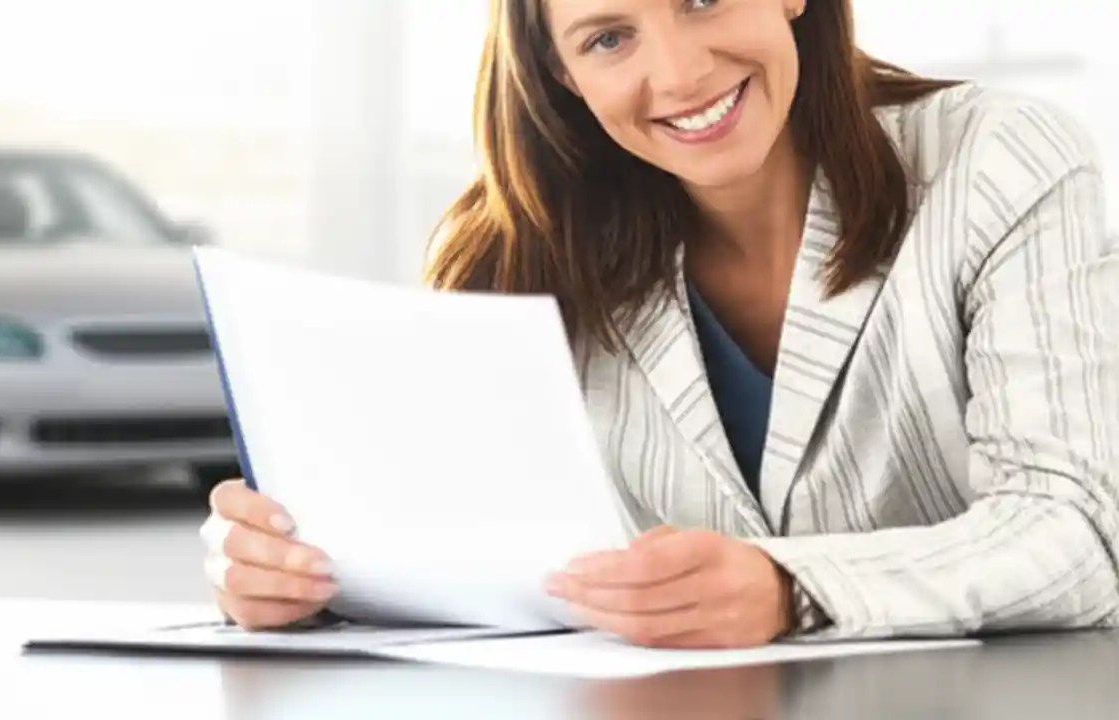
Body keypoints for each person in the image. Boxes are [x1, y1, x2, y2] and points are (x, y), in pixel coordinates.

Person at [199, 0, 1118, 647]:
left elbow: (1075, 533)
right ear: (562, 72)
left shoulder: (998, 159)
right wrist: (291, 573)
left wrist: (789, 589)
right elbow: (440, 536)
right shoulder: (513, 254)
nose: (677, 73)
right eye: (608, 38)